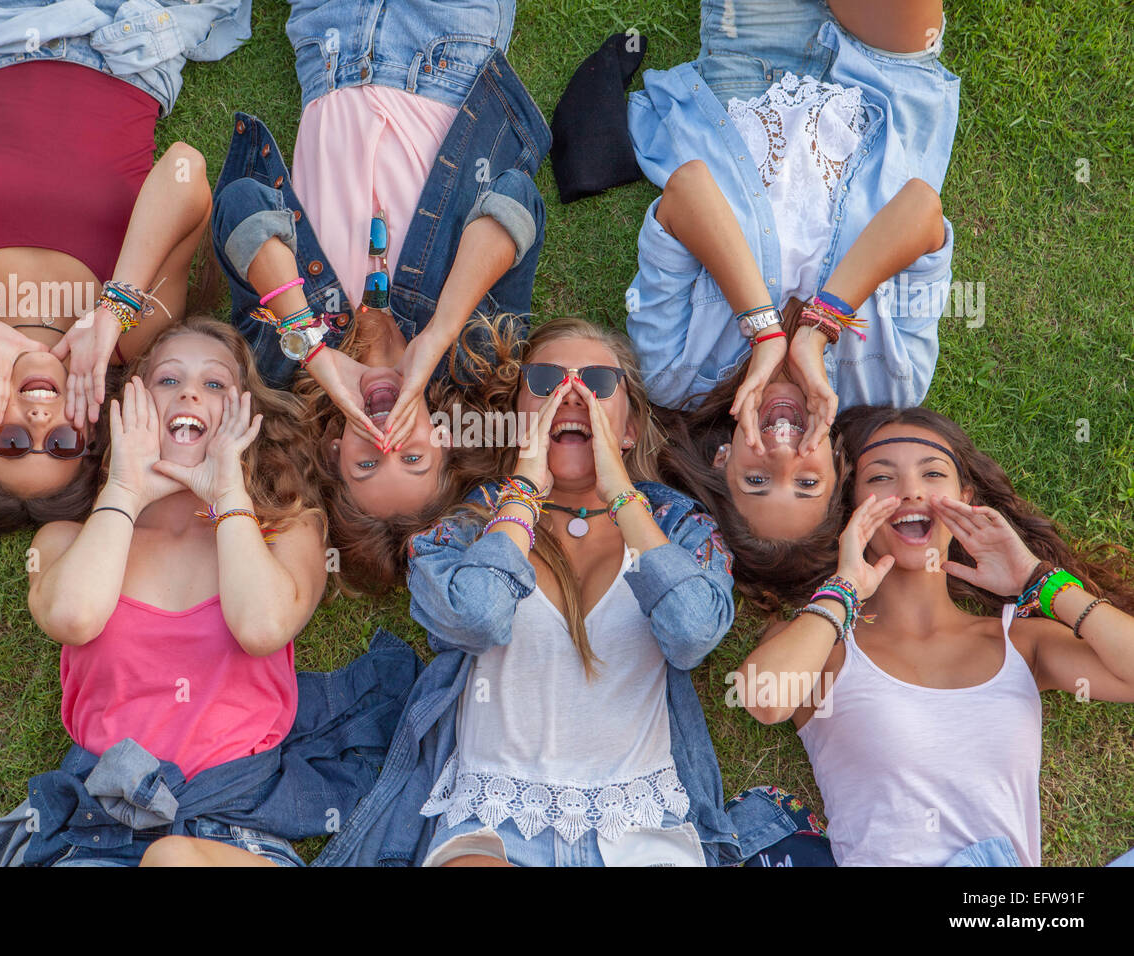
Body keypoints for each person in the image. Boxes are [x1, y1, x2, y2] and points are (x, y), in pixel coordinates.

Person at [309, 318, 825, 867]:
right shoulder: (463, 526)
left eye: (599, 382)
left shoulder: (678, 528)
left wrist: (622, 494)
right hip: (493, 822)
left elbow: (691, 633)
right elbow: (475, 618)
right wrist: (525, 491)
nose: (571, 393)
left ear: (628, 429)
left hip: (642, 825)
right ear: (518, 418)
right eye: (546, 379)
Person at [0, 318, 419, 866]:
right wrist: (125, 489)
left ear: (245, 418)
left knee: (173, 861)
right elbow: (72, 616)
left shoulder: (287, 530)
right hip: (105, 828)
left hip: (231, 832)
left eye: (214, 385)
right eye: (166, 381)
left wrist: (228, 490)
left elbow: (262, 626)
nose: (189, 391)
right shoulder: (65, 539)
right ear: (128, 409)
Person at [209, 0, 550, 594]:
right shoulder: (477, 349)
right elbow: (515, 200)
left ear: (335, 451)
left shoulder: (284, 356)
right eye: (412, 459)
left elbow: (241, 204)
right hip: (447, 43)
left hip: (328, 43)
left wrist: (314, 350)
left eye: (368, 463)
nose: (387, 438)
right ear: (444, 442)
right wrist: (438, 333)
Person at [625, 0, 958, 604]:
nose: (782, 449)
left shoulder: (675, 375)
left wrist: (767, 335)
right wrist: (818, 330)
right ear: (839, 468)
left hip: (748, 70)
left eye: (757, 479)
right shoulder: (891, 386)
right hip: (887, 91)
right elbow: (920, 212)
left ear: (721, 460)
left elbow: (688, 192)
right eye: (806, 481)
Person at [0, 0, 241, 531]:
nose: (40, 423)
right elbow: (185, 168)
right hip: (130, 41)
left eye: (14, 442)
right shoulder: (135, 339)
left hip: (3, 30)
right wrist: (113, 311)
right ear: (89, 433)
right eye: (61, 445)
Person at [735, 405, 1134, 866]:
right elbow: (763, 698)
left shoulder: (1020, 644)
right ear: (851, 506)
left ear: (965, 497)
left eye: (933, 474)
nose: (910, 491)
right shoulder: (826, 643)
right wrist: (842, 592)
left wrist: (1040, 580)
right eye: (881, 478)